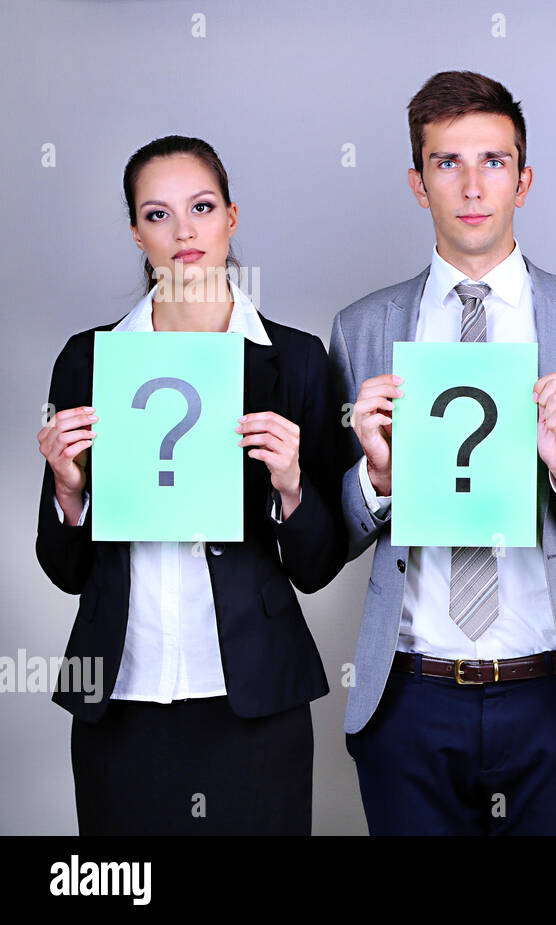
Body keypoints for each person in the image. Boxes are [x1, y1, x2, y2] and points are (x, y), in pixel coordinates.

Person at [329, 70, 556, 835]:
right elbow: (327, 538)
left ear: (524, 178)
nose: (472, 185)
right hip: (408, 698)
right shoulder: (362, 328)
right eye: (447, 162)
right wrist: (375, 478)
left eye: (494, 161)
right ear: (418, 182)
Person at [36, 135, 348, 835]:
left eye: (201, 207)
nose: (183, 231)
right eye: (157, 214)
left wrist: (292, 485)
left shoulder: (294, 359)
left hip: (254, 700)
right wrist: (67, 487)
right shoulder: (89, 360)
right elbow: (63, 569)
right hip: (119, 697)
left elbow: (320, 564)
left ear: (231, 217)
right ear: (134, 231)